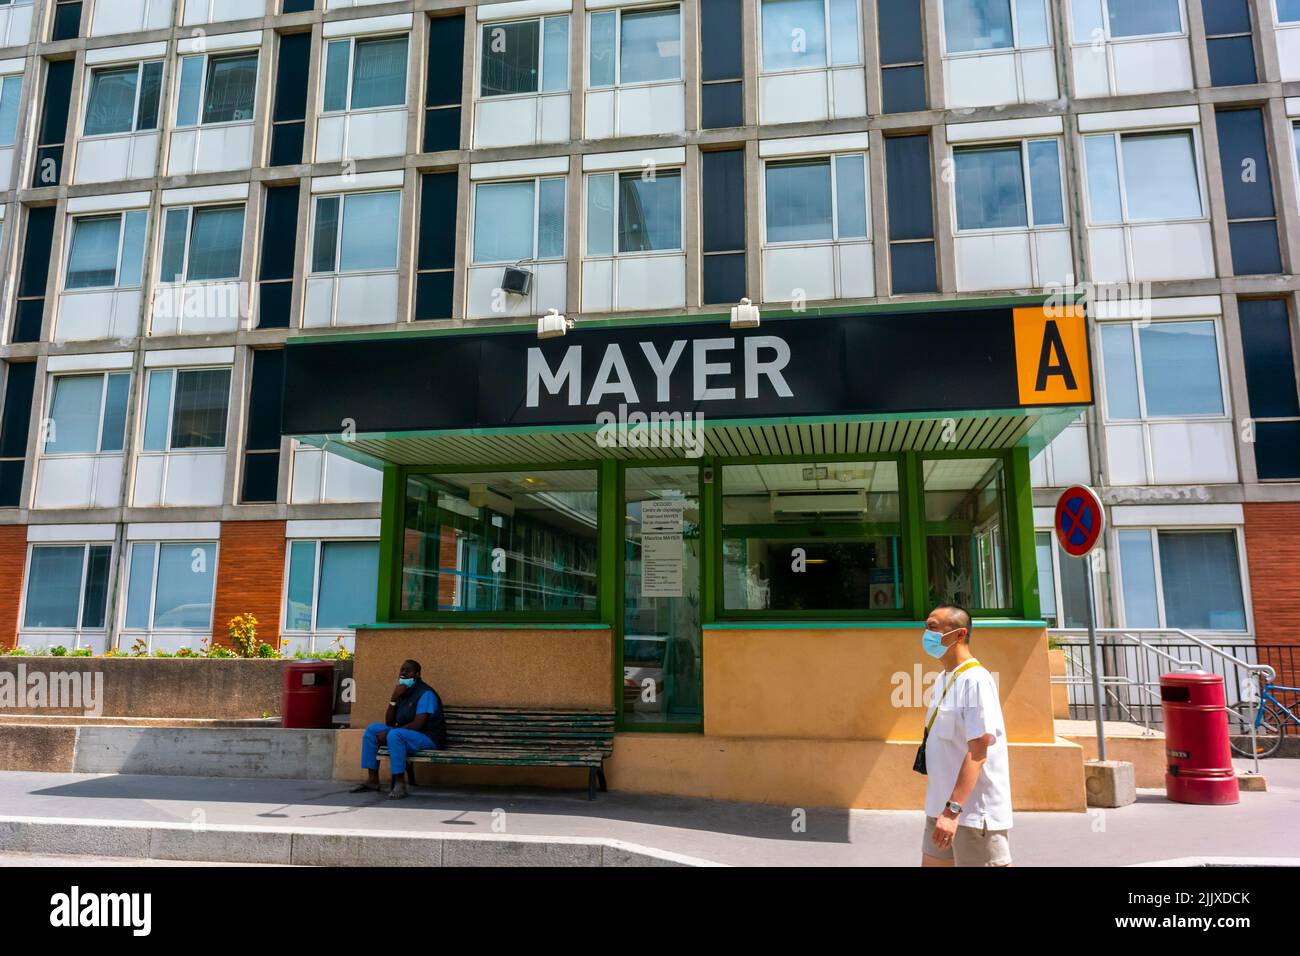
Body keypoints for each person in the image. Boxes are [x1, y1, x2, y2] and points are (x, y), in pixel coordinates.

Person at [918, 604, 1013, 867]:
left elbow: (978, 752)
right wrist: (943, 810)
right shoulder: (944, 679)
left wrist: (953, 811)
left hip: (971, 815)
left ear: (959, 635)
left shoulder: (976, 681)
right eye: (926, 627)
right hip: (940, 807)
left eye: (934, 627)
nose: (927, 634)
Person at [353, 659, 447, 800]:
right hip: (407, 734)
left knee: (394, 735)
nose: (403, 673)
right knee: (372, 729)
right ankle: (372, 780)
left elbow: (418, 725)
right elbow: (390, 722)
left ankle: (399, 783)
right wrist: (394, 697)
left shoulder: (425, 693)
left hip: (429, 737)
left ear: (417, 675)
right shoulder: (402, 692)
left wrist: (390, 732)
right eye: (401, 670)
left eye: (408, 671)